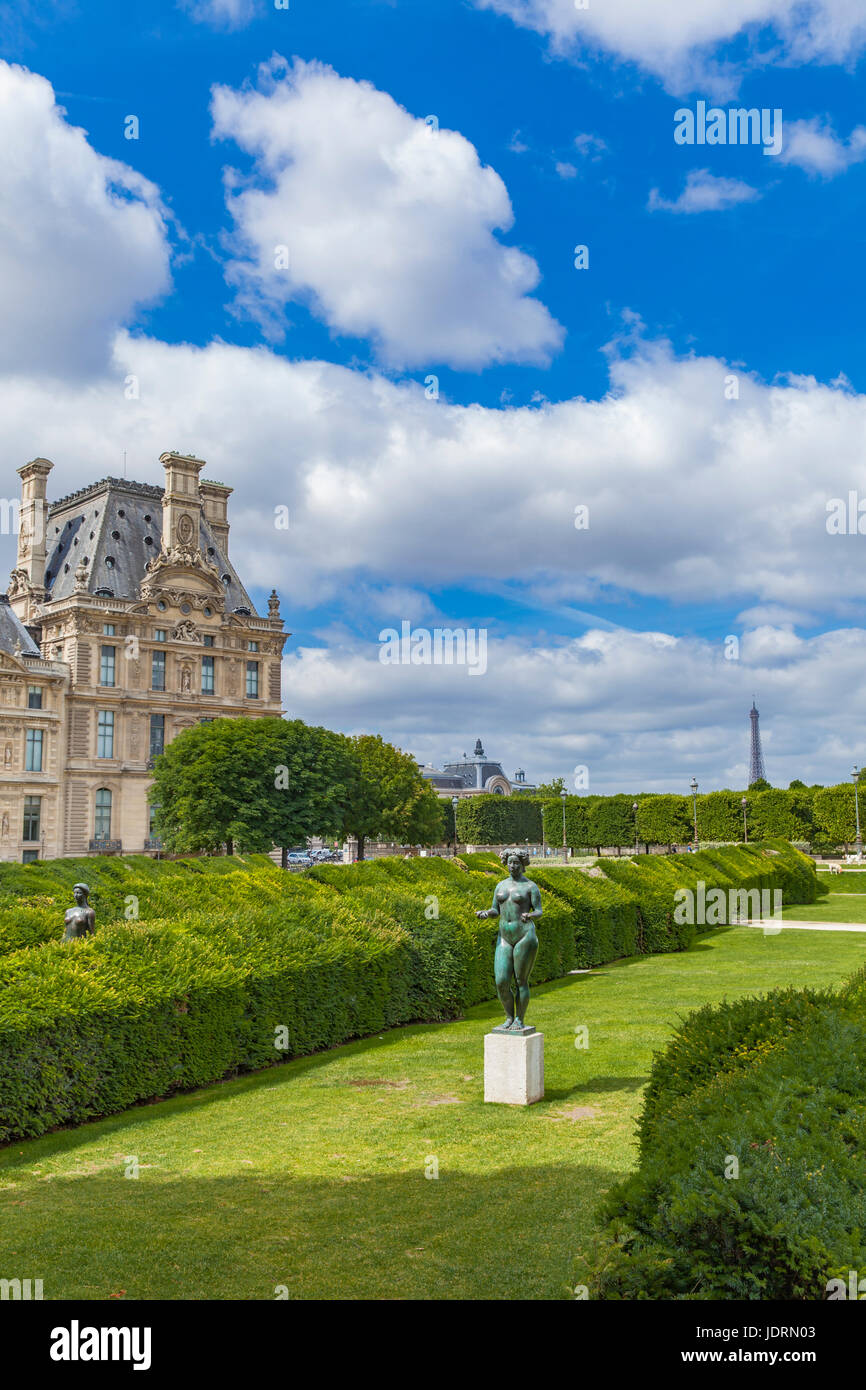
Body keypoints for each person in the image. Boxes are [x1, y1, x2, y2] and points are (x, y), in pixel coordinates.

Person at [476, 848, 542, 1031]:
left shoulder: (530, 886)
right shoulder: (500, 886)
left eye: (516, 863)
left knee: (521, 980)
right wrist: (486, 913)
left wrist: (531, 915)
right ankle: (508, 1017)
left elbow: (539, 910)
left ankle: (519, 1020)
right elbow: (495, 910)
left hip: (525, 935)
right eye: (510, 862)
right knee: (501, 981)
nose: (512, 866)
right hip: (504, 937)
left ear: (522, 865)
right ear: (505, 863)